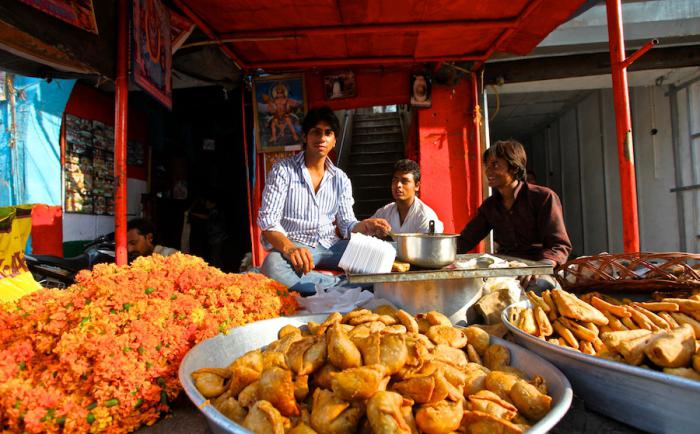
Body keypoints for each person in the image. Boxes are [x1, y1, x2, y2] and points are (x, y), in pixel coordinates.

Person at [258, 106, 392, 294]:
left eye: (328, 133)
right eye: (316, 132)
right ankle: (340, 285)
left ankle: (333, 286)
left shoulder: (341, 178)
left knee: (386, 255)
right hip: (296, 244)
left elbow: (347, 224)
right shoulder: (283, 171)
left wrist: (365, 226)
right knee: (272, 266)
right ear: (305, 136)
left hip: (332, 245)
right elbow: (269, 222)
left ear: (334, 140)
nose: (322, 138)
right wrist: (290, 249)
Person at [457, 140, 572, 289]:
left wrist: (537, 268)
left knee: (537, 286)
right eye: (487, 165)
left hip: (539, 269)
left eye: (495, 165)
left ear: (514, 167)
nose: (488, 171)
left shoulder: (543, 197)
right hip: (506, 268)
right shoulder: (490, 206)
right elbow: (465, 241)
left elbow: (559, 245)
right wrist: (434, 256)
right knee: (474, 289)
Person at [371, 159, 444, 234]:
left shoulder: (425, 216)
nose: (398, 185)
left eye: (404, 181)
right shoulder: (385, 212)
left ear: (417, 186)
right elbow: (363, 234)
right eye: (395, 180)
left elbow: (429, 244)